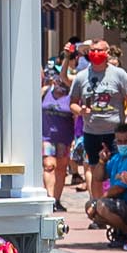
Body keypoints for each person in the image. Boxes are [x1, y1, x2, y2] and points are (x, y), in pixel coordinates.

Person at [70, 40, 127, 210]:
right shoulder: (81, 76)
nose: (95, 53)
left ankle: (116, 207)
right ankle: (97, 207)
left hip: (115, 133)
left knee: (116, 168)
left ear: (107, 53)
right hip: (91, 132)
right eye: (92, 50)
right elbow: (73, 103)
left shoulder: (119, 74)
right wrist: (81, 110)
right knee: (94, 170)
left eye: (99, 50)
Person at [90, 131, 127, 249]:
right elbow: (98, 177)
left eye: (126, 141)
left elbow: (119, 188)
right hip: (118, 205)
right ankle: (120, 231)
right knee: (90, 206)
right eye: (119, 141)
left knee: (101, 206)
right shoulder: (116, 158)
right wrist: (102, 161)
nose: (123, 145)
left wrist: (98, 201)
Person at [41, 66, 78, 212]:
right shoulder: (44, 93)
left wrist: (75, 138)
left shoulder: (72, 96)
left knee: (61, 169)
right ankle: (49, 198)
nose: (59, 83)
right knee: (49, 165)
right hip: (46, 137)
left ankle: (56, 200)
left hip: (65, 137)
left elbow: (76, 118)